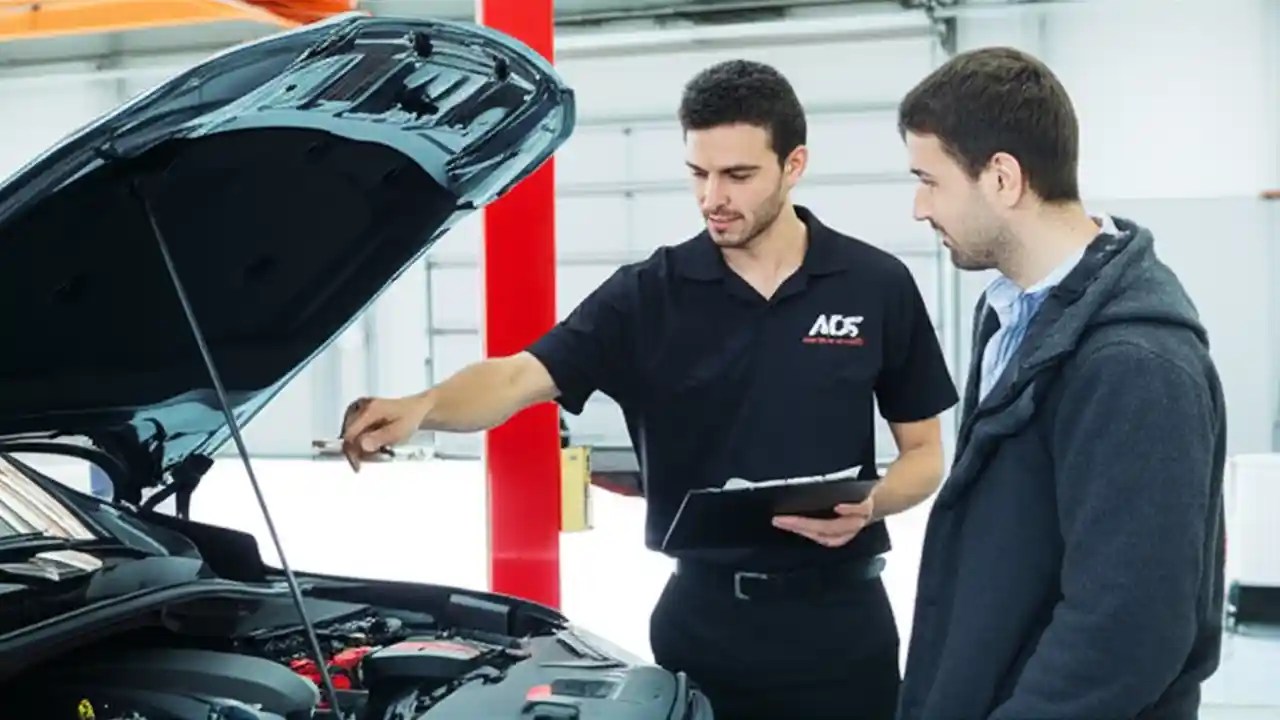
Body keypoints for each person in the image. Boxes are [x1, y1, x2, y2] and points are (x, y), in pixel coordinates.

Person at [341, 59, 958, 720]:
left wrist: (872, 504)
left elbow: (925, 454)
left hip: (845, 629)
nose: (713, 197)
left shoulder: (874, 285)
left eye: (738, 175)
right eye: (699, 173)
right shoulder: (647, 296)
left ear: (794, 165)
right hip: (705, 628)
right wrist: (425, 406)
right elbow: (519, 375)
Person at [893, 46, 1226, 720]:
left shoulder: (1134, 365)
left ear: (1002, 178)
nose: (919, 208)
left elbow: (1127, 630)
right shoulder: (1009, 313)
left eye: (930, 180)